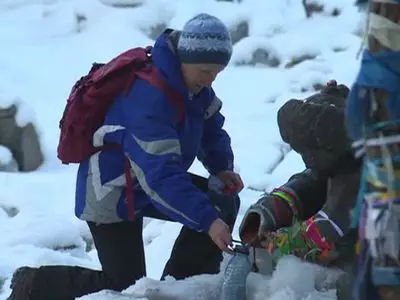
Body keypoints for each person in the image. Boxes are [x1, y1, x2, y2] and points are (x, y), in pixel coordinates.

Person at [7, 13, 244, 300]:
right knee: (123, 287)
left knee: (221, 201)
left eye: (217, 72)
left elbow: (209, 126)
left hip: (146, 182)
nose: (211, 80)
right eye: (206, 71)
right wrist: (208, 222)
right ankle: (35, 284)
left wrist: (221, 167)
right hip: (111, 191)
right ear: (184, 58)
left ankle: (178, 289)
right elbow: (162, 177)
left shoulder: (193, 87)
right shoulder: (148, 100)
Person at [239, 81, 360, 269]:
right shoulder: (346, 154)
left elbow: (336, 221)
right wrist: (275, 207)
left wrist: (286, 242)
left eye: (310, 152)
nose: (307, 160)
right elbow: (313, 183)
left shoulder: (370, 166)